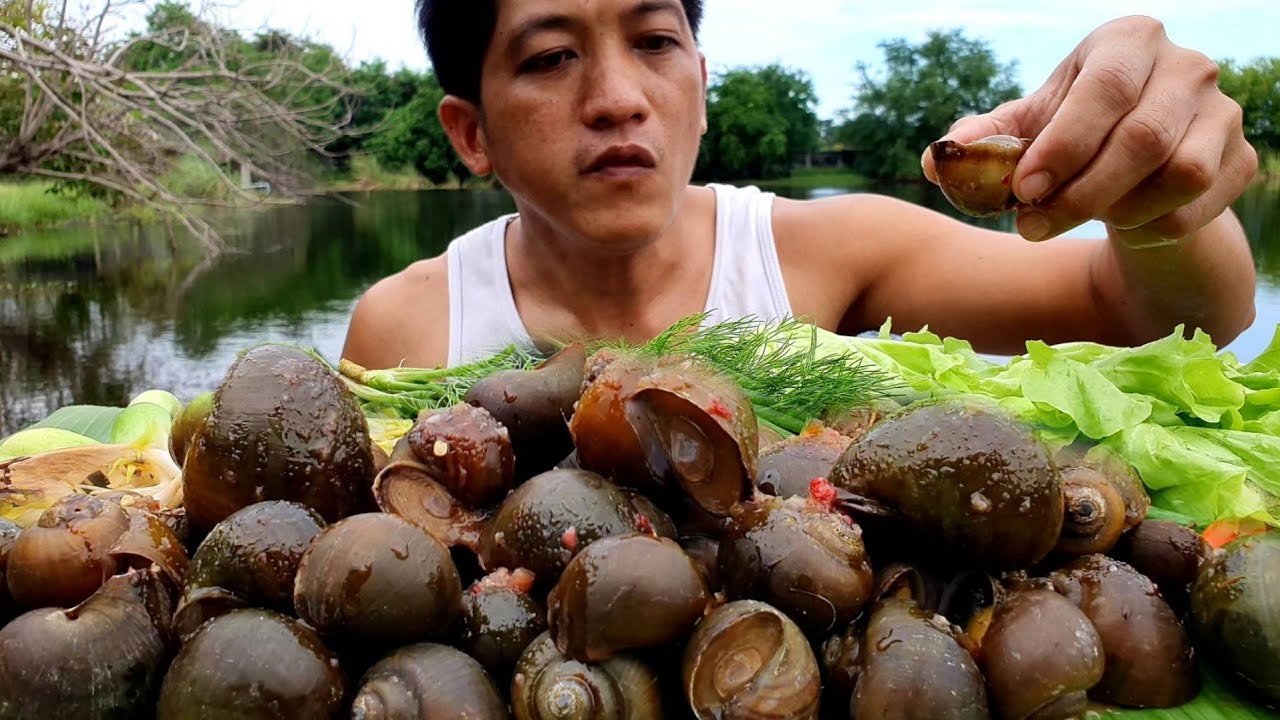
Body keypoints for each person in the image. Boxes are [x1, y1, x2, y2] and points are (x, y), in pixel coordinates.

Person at [342, 0, 1259, 372]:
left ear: (701, 87)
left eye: (656, 43)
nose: (619, 100)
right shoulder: (407, 326)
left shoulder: (826, 250)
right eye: (548, 58)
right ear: (471, 134)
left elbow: (1166, 320)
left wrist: (1159, 208)